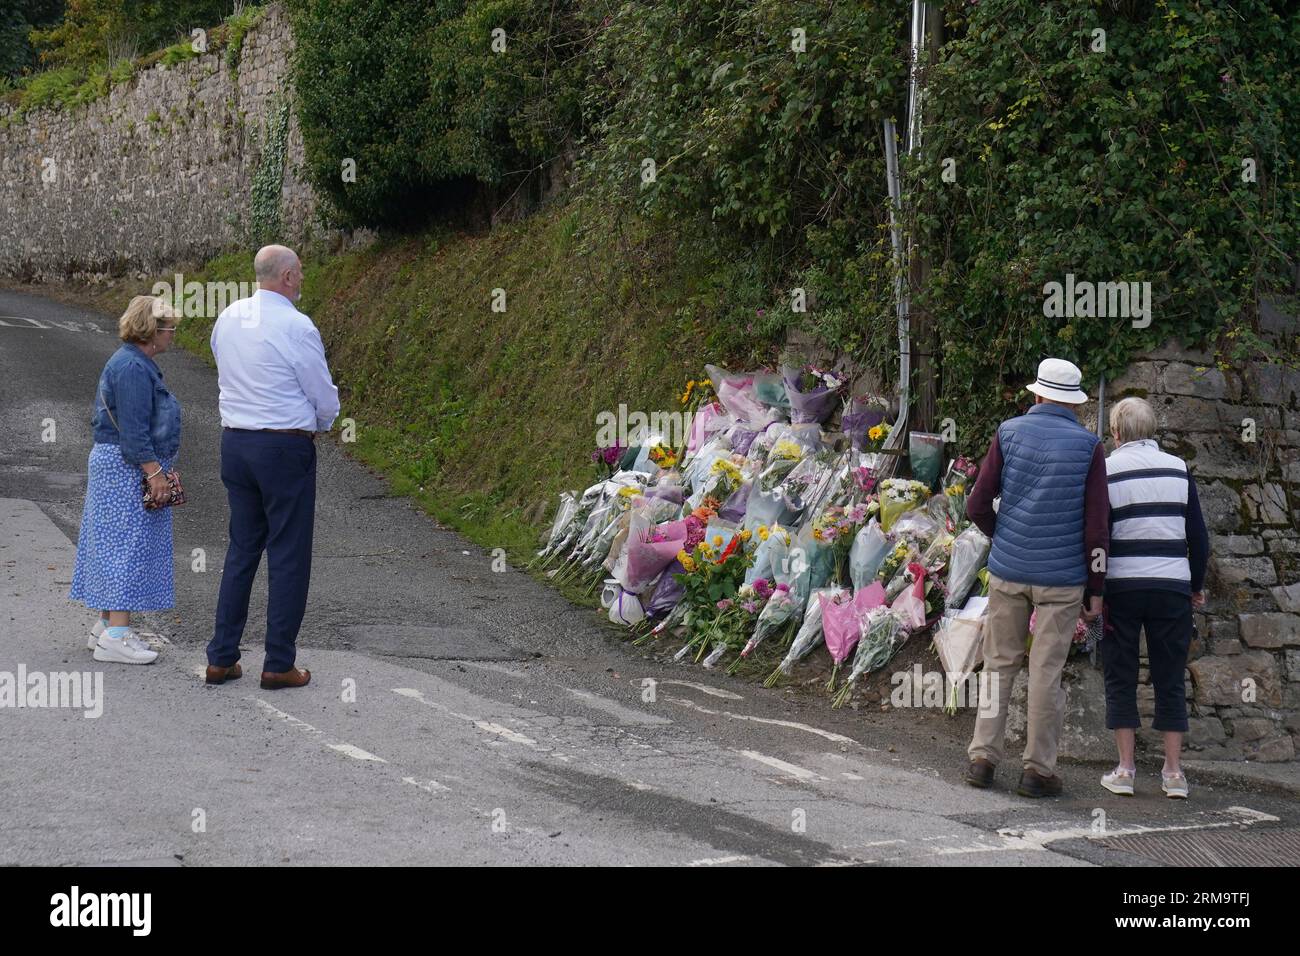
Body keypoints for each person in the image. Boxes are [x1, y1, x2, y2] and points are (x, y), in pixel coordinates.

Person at [963, 357, 1110, 797]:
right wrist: (1096, 588)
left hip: (1008, 571)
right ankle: (1037, 771)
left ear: (1038, 395)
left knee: (998, 665)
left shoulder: (1008, 433)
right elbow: (1097, 526)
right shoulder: (1089, 446)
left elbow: (976, 505)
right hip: (1062, 579)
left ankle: (983, 759)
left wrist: (1003, 537)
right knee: (1047, 671)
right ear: (1074, 403)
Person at [205, 245, 340, 689]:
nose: (302, 280)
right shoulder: (297, 326)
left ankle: (221, 657)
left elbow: (223, 368)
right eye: (299, 273)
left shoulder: (228, 317)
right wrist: (322, 422)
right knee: (288, 553)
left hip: (235, 441)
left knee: (242, 548)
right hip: (283, 446)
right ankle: (278, 661)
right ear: (285, 276)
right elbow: (320, 391)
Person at [1099, 397, 1208, 799]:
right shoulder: (1179, 469)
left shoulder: (1107, 471)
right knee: (1170, 676)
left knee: (1120, 672)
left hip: (1123, 587)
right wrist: (1194, 585)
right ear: (1152, 432)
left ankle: (1126, 770)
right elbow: (1197, 537)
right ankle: (1174, 774)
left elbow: (1099, 535)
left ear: (1115, 433)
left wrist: (1095, 588)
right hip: (1171, 588)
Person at [71, 295, 182, 664]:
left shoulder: (131, 362)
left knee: (111, 543)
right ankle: (117, 635)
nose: (172, 335)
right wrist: (154, 473)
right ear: (151, 331)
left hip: (115, 464)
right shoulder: (135, 368)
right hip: (126, 466)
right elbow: (134, 433)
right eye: (169, 328)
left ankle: (105, 627)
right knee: (125, 546)